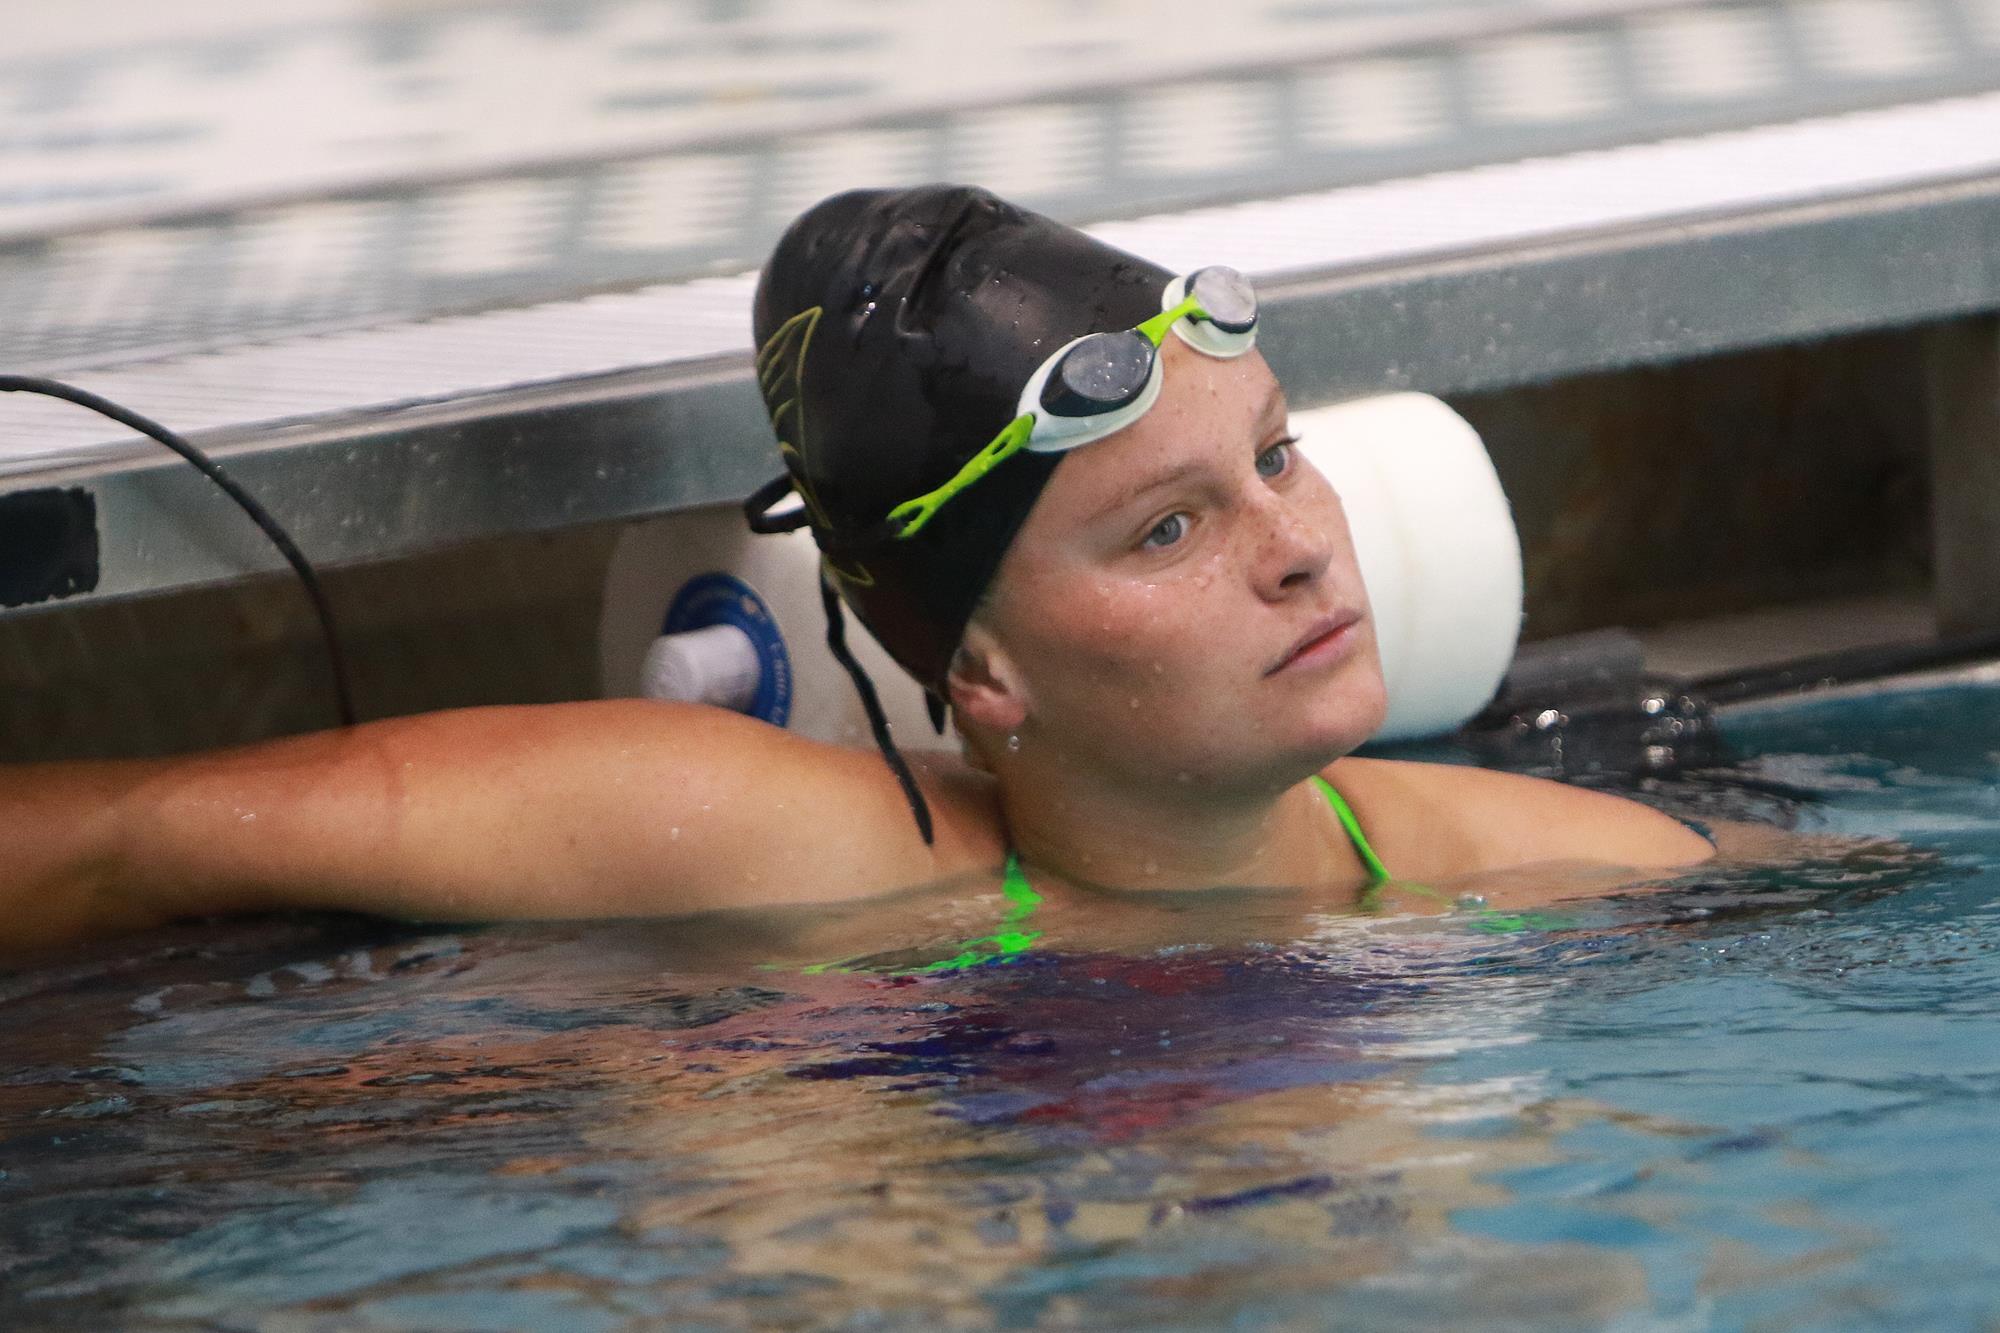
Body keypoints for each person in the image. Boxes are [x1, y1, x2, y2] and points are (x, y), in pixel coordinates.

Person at [0, 185, 1715, 960]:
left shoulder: (1573, 867)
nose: (1298, 547)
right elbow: (127, 840)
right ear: (981, 675)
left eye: (1271, 452)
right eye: (1167, 527)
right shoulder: (762, 840)